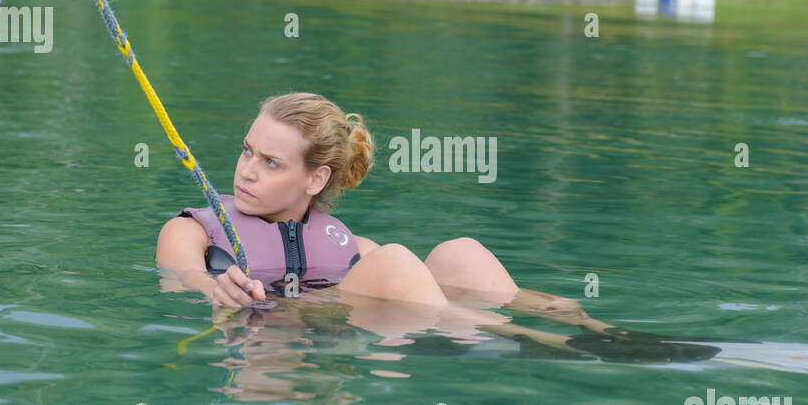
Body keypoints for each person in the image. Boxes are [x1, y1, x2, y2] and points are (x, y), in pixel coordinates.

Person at [156, 92, 576, 320]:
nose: (247, 171)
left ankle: (582, 327)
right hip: (270, 346)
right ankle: (506, 337)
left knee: (459, 252)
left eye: (270, 162)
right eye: (247, 151)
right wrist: (217, 289)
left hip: (350, 331)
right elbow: (179, 282)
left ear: (315, 178)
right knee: (394, 261)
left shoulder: (355, 249)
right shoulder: (193, 231)